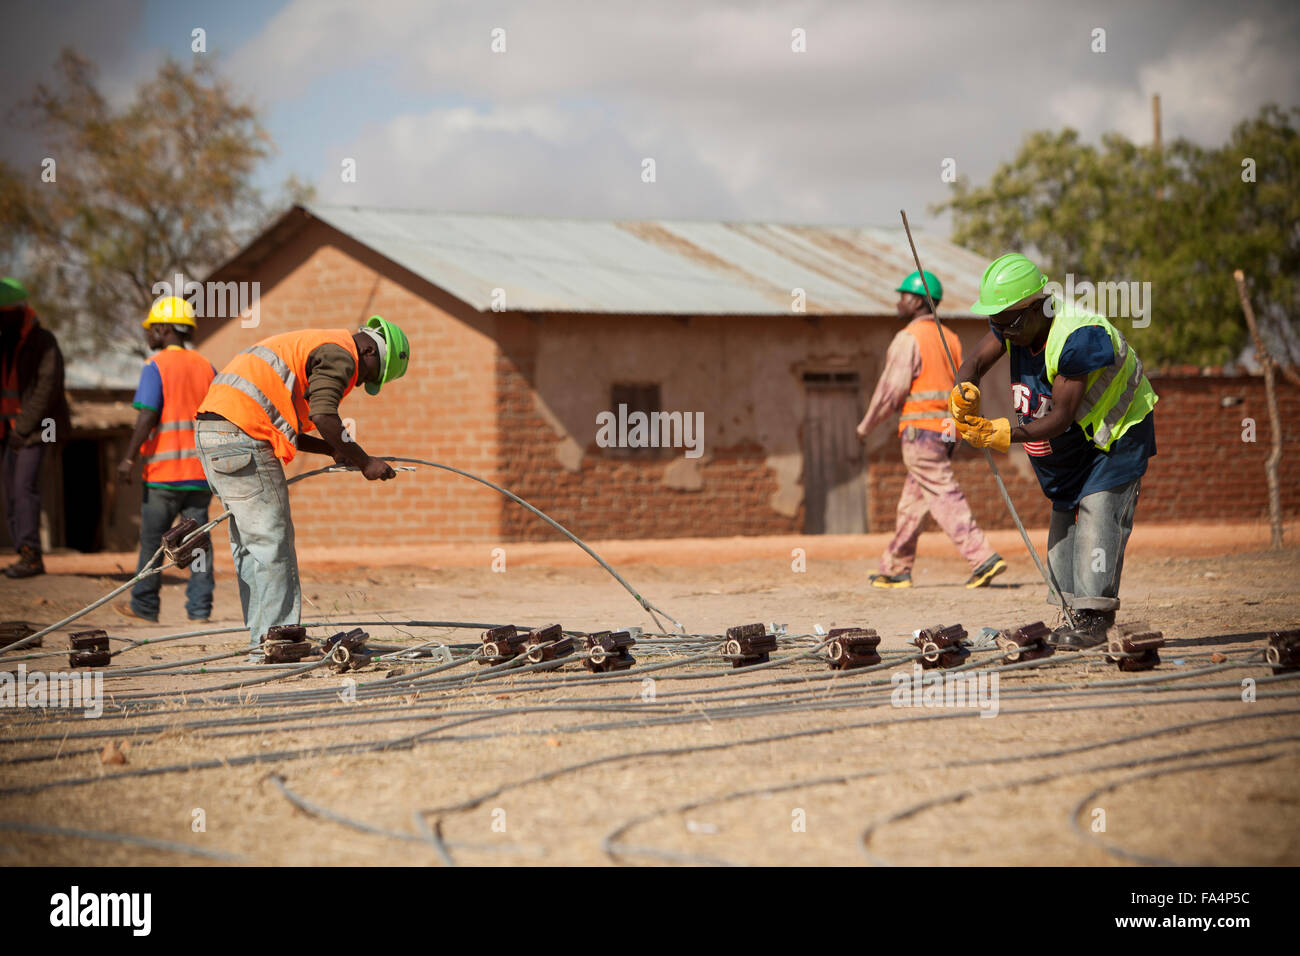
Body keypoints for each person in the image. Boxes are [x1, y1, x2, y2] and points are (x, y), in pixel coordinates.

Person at [951, 253, 1158, 648]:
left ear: (1038, 306)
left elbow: (1061, 416)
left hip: (1117, 434)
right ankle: (1071, 609)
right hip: (1077, 440)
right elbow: (975, 360)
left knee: (1098, 512)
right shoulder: (1013, 323)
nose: (1001, 331)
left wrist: (998, 433)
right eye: (994, 322)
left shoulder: (1079, 336)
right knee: (1065, 515)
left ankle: (1094, 617)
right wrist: (965, 389)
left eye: (1008, 322)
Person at [193, 316, 410, 659]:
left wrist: (334, 449)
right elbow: (325, 415)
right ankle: (280, 644)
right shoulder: (341, 353)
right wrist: (366, 461)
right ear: (368, 349)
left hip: (212, 433)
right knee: (271, 541)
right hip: (243, 435)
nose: (360, 382)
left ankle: (262, 641)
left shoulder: (308, 346)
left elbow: (292, 425)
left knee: (250, 545)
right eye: (370, 373)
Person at [855, 270, 1006, 589]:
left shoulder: (908, 338)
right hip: (946, 432)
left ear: (920, 301)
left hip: (920, 431)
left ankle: (982, 557)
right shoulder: (949, 337)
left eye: (904, 295)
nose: (899, 301)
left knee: (942, 493)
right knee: (913, 502)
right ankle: (896, 566)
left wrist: (866, 426)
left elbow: (890, 391)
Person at [114, 296, 217, 623]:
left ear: (164, 328)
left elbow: (147, 417)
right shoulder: (207, 366)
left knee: (154, 544)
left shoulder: (155, 366)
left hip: (163, 475)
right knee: (198, 543)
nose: (147, 335)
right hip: (200, 475)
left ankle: (144, 607)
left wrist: (129, 458)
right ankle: (200, 610)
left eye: (151, 329)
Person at [0, 278, 70, 578]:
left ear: (14, 311)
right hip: (8, 431)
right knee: (10, 493)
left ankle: (32, 556)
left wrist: (24, 427)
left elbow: (47, 388)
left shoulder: (44, 342)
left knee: (23, 487)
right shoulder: (6, 338)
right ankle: (22, 552)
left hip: (38, 428)